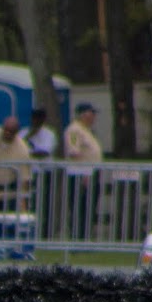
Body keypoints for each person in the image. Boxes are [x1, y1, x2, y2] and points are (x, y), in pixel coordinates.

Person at [64, 102, 104, 240]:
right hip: (81, 175)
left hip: (90, 173)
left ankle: (85, 237)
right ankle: (78, 238)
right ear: (83, 115)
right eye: (91, 114)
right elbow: (74, 152)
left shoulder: (86, 130)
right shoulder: (74, 130)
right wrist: (85, 173)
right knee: (80, 208)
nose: (94, 117)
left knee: (89, 208)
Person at [24, 107, 59, 239]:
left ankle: (45, 234)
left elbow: (44, 153)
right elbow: (19, 148)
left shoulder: (49, 134)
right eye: (34, 118)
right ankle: (29, 232)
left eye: (39, 119)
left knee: (44, 204)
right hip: (28, 173)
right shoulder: (24, 133)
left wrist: (28, 154)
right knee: (28, 202)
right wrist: (29, 136)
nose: (36, 121)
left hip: (44, 173)